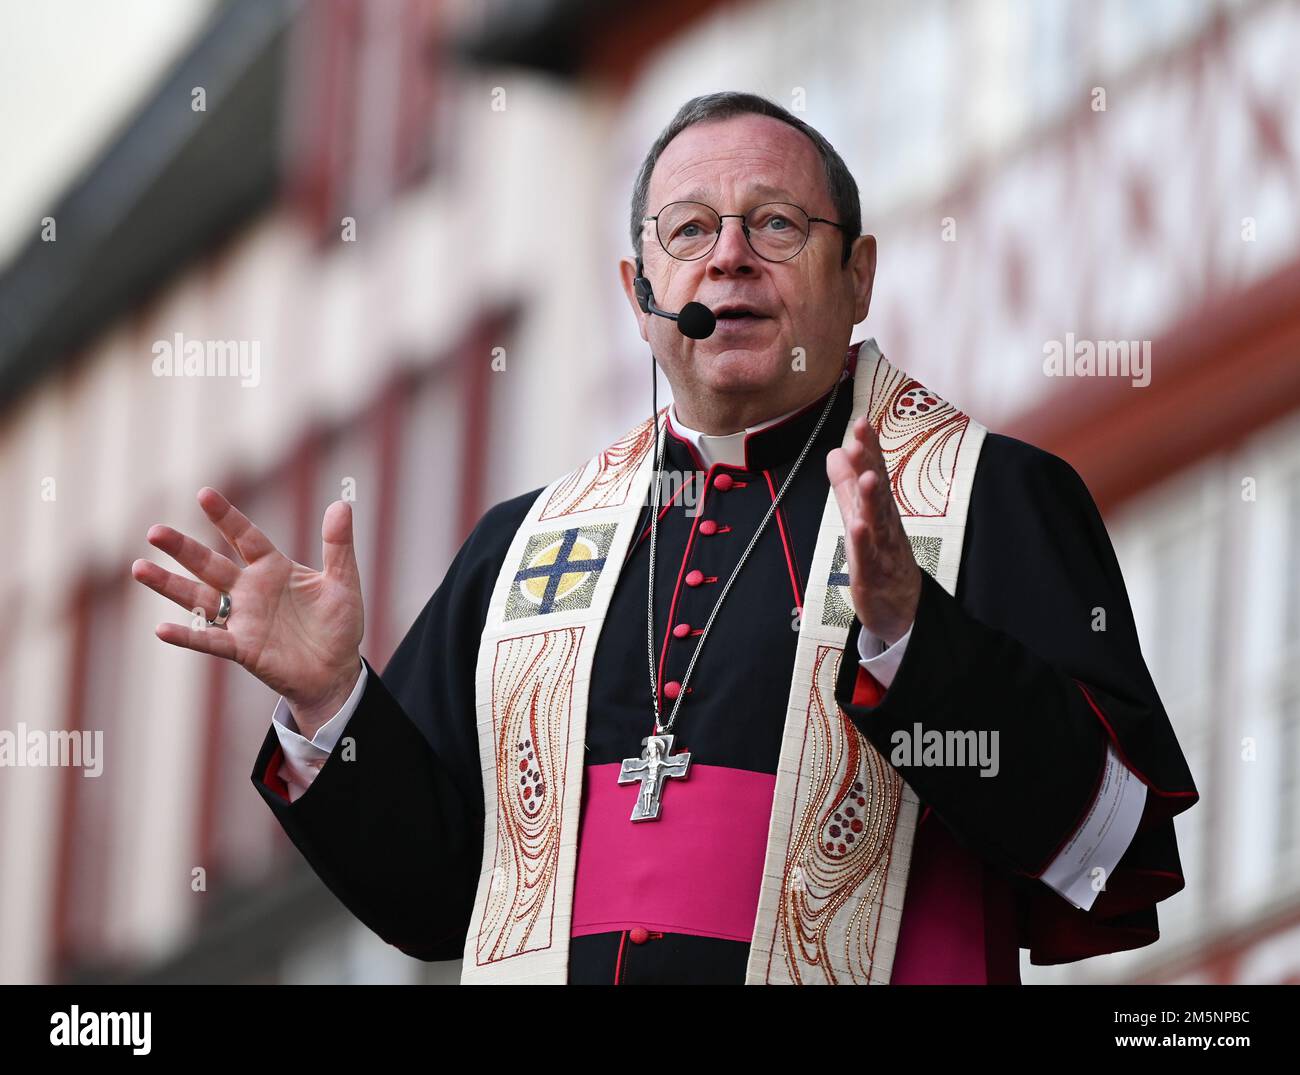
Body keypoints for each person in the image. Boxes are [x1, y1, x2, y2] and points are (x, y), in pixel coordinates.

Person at [132, 92, 1198, 985]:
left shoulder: (991, 499)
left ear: (859, 276)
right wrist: (332, 705)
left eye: (777, 225)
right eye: (688, 231)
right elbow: (438, 898)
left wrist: (919, 646)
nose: (729, 259)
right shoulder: (522, 548)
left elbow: (1108, 846)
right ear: (639, 294)